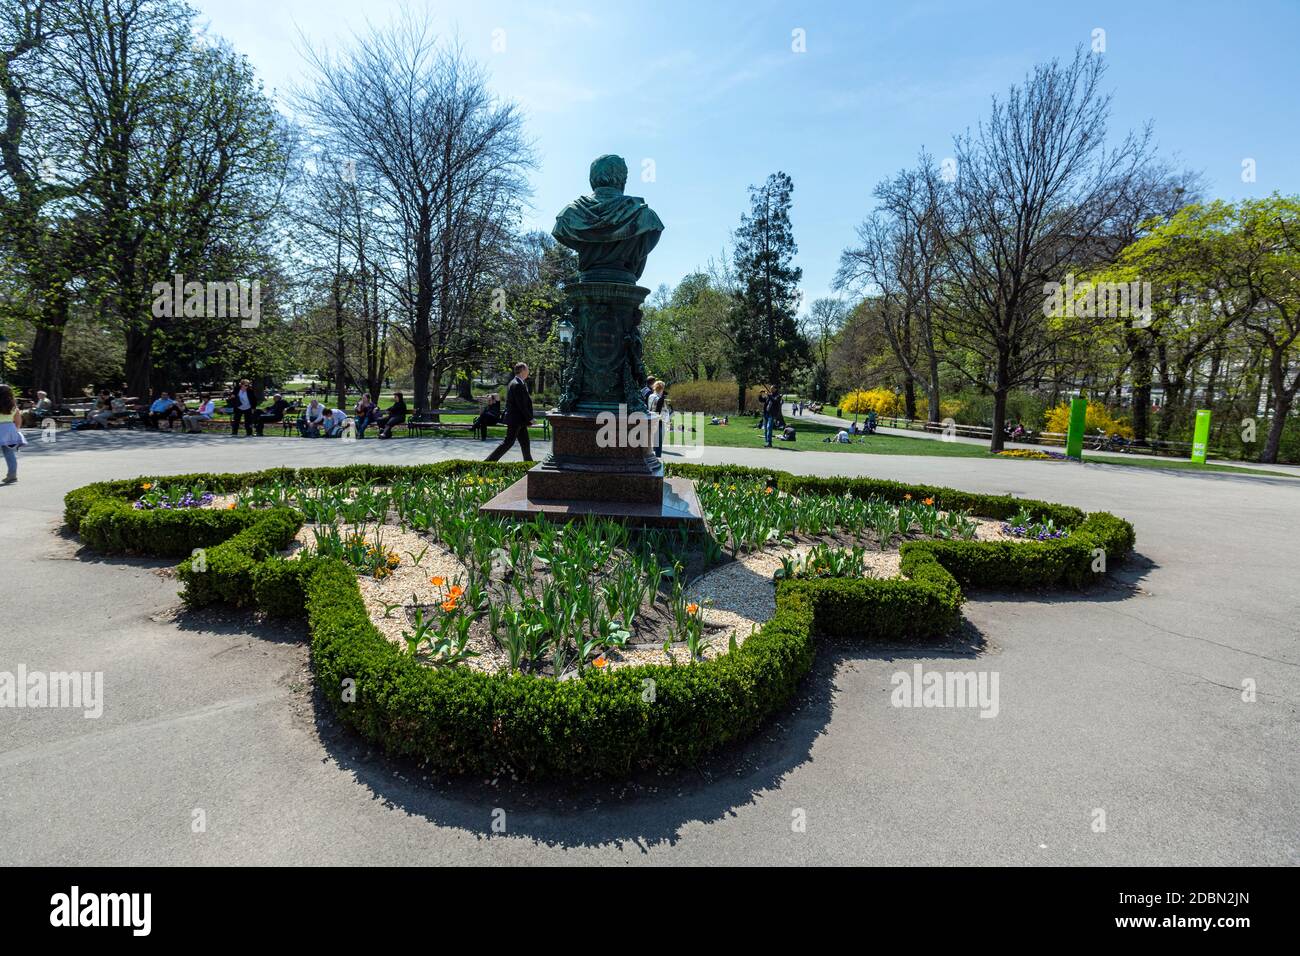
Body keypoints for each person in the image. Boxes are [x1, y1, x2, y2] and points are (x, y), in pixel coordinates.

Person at [486, 363, 534, 462]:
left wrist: (527, 420)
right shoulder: (516, 384)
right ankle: (488, 462)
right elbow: (521, 405)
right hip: (515, 419)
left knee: (525, 442)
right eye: (527, 369)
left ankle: (529, 463)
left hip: (519, 420)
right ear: (522, 370)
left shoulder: (518, 382)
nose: (528, 372)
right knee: (508, 442)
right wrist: (530, 418)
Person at [0, 385, 25, 484]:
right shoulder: (13, 407)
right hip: (9, 430)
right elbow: (18, 421)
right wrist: (15, 431)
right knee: (9, 454)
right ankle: (12, 475)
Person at [648, 380, 667, 457]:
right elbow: (662, 412)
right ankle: (658, 457)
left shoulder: (651, 396)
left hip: (650, 419)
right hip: (658, 421)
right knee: (658, 441)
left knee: (652, 440)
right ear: (662, 389)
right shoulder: (660, 399)